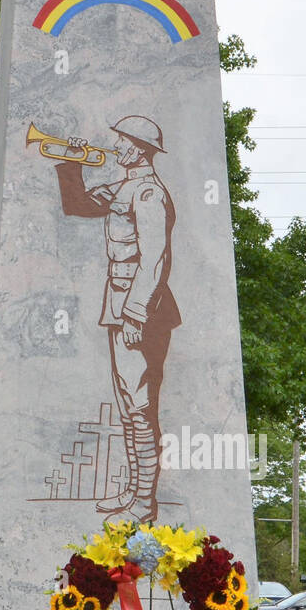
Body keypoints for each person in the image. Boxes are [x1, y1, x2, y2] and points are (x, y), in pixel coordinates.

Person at [54, 115, 179, 522]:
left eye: (122, 140)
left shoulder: (147, 194)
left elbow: (155, 256)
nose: (116, 146)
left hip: (142, 310)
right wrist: (72, 163)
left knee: (141, 406)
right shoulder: (128, 186)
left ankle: (145, 502)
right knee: (129, 406)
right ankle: (133, 492)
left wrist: (136, 313)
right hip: (120, 301)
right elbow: (78, 205)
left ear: (138, 147)